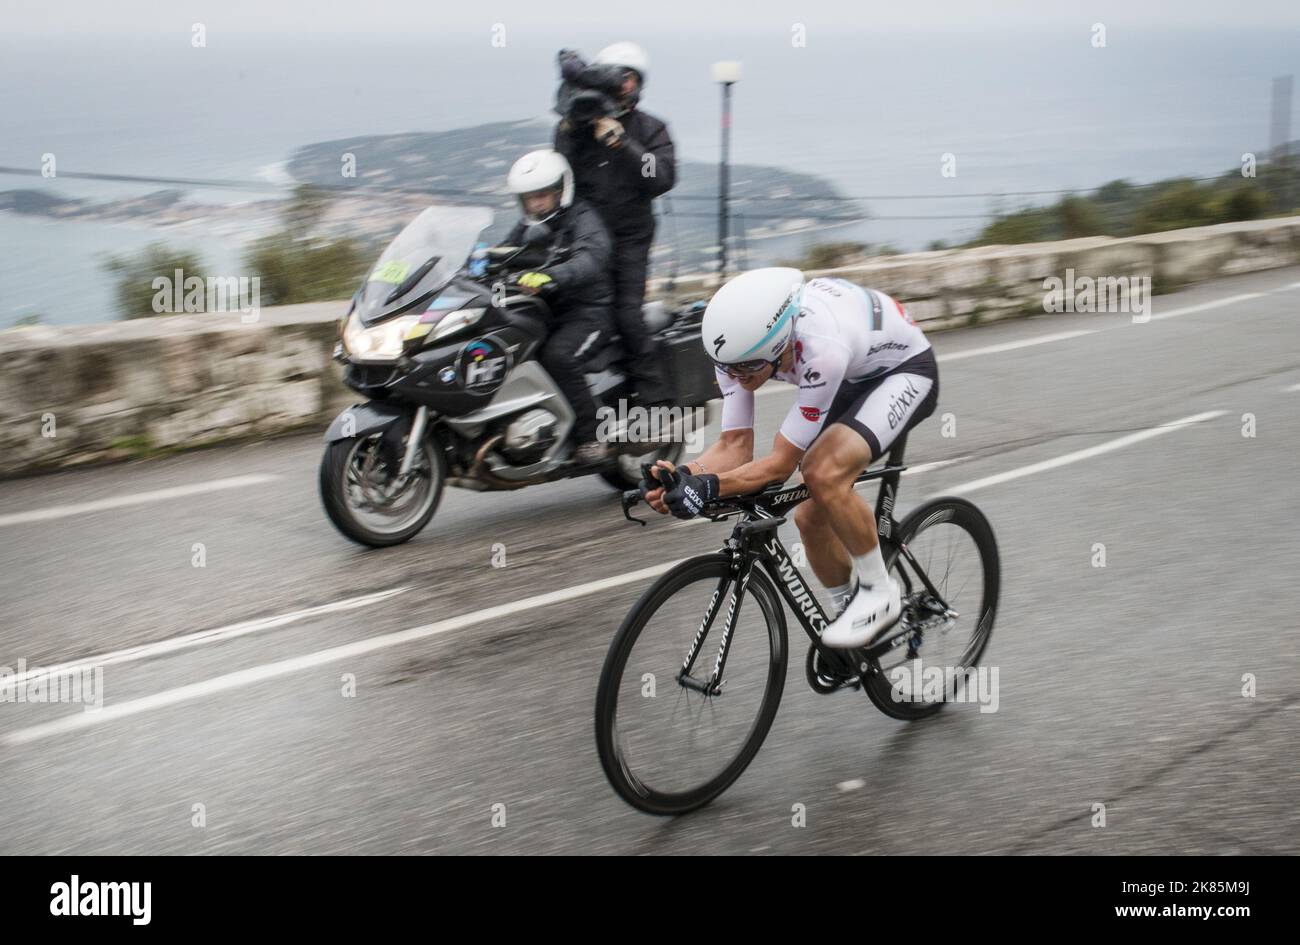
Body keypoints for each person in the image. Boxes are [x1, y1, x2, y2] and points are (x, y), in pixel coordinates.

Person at [639, 267, 941, 648]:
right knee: (810, 517)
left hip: (904, 371)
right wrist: (682, 476)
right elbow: (735, 445)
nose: (737, 377)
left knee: (822, 473)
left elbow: (780, 466)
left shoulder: (819, 349)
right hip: (854, 371)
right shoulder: (737, 350)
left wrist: (708, 486)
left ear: (781, 343)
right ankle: (851, 615)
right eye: (727, 367)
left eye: (748, 367)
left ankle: (879, 593)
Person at [555, 41, 676, 408]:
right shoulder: (578, 125)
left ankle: (657, 400)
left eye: (631, 78)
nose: (624, 85)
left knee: (627, 313)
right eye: (618, 78)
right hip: (586, 237)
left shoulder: (651, 128)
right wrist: (572, 128)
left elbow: (660, 177)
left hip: (630, 237)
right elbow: (560, 171)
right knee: (569, 312)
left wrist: (622, 144)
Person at [503, 149, 614, 464]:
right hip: (549, 313)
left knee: (559, 357)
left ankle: (592, 437)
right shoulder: (529, 227)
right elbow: (508, 252)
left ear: (560, 191)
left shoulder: (584, 219)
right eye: (528, 198)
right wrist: (478, 265)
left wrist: (548, 276)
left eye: (542, 196)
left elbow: (590, 259)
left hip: (589, 313)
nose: (535, 204)